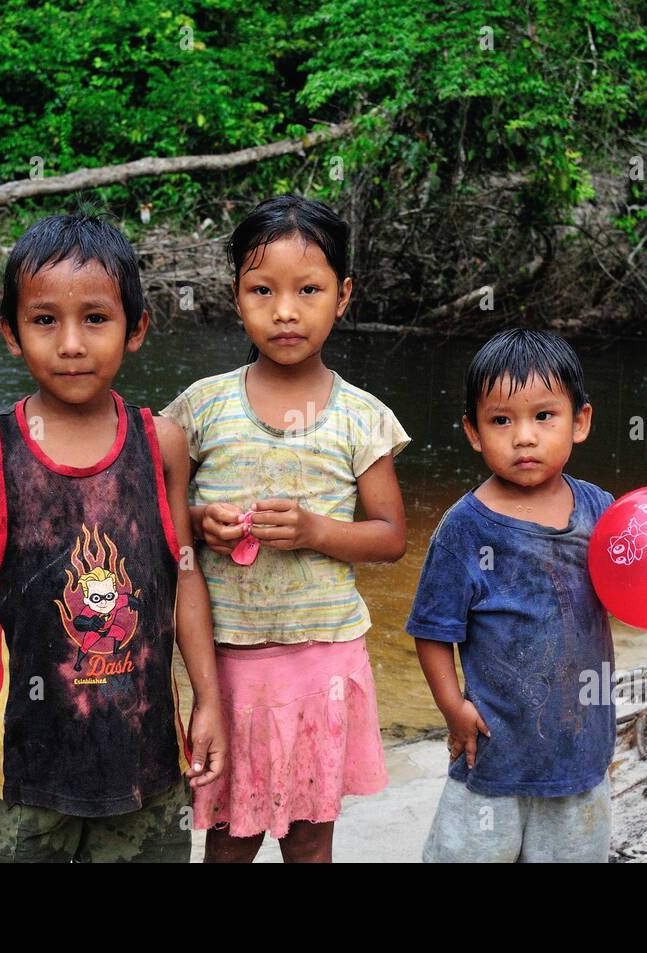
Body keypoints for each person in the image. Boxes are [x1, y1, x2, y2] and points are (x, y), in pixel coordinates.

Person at [0, 214, 227, 862]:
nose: (71, 343)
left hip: (146, 766)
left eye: (96, 318)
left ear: (137, 328)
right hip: (29, 770)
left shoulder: (161, 445)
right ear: (11, 333)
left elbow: (182, 571)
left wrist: (208, 699)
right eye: (45, 320)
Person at [406, 328, 647, 863]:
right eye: (501, 420)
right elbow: (432, 630)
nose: (524, 437)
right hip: (493, 752)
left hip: (580, 750)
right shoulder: (464, 530)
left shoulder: (604, 515)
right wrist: (453, 708)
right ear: (473, 432)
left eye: (544, 416)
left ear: (581, 422)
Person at [160, 195, 410, 862]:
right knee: (227, 839)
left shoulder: (362, 416)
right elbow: (147, 510)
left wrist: (313, 531)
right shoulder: (202, 406)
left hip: (323, 659)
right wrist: (195, 521)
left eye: (309, 289)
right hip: (227, 664)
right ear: (237, 296)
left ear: (343, 295)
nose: (286, 310)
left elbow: (390, 536)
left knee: (308, 838)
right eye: (262, 290)